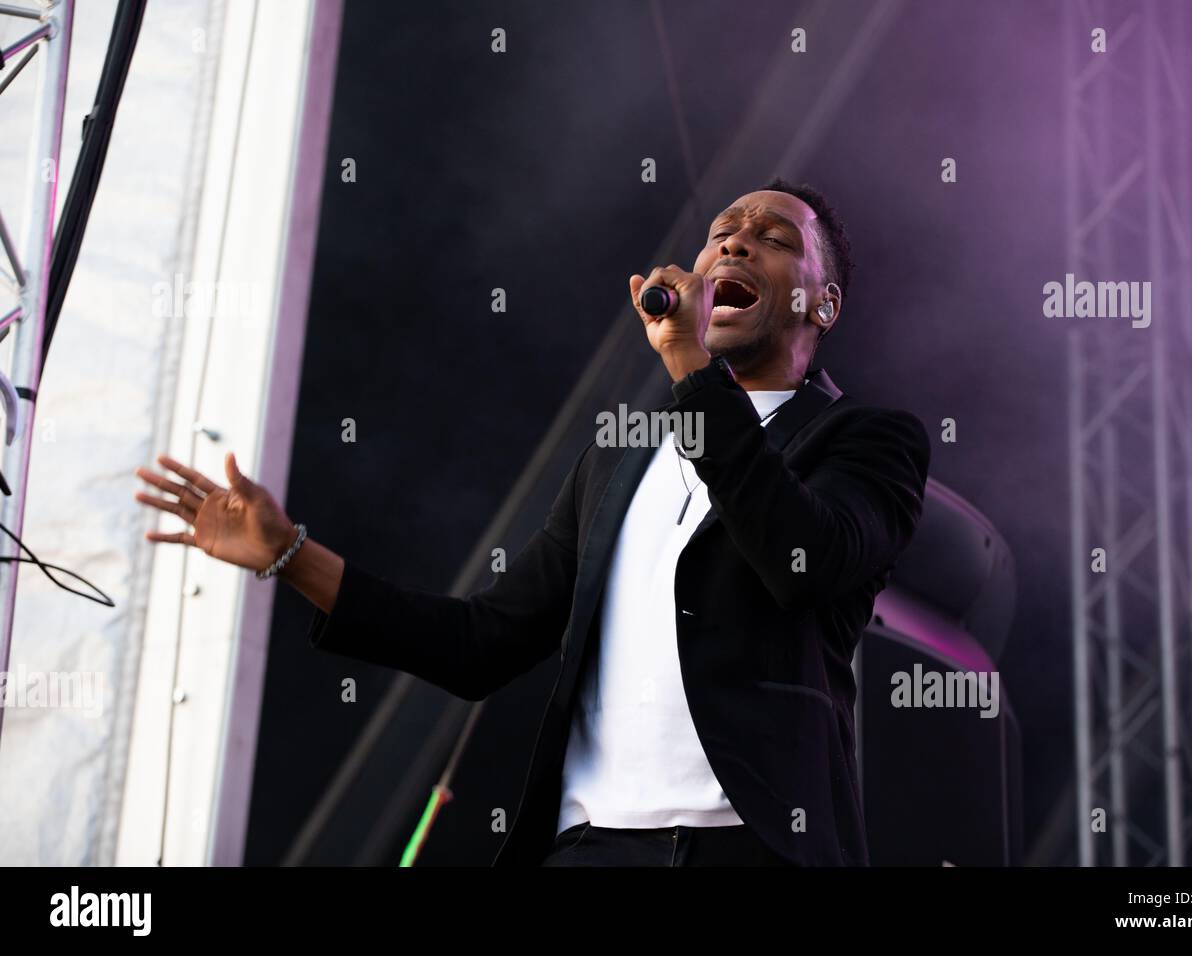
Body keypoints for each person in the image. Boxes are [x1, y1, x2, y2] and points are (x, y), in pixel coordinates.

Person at [134, 179, 931, 866]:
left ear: (823, 302)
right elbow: (480, 643)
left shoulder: (866, 439)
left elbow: (803, 557)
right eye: (721, 233)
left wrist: (690, 367)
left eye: (772, 238)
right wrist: (290, 554)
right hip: (589, 846)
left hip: (749, 846)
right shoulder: (619, 463)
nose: (735, 245)